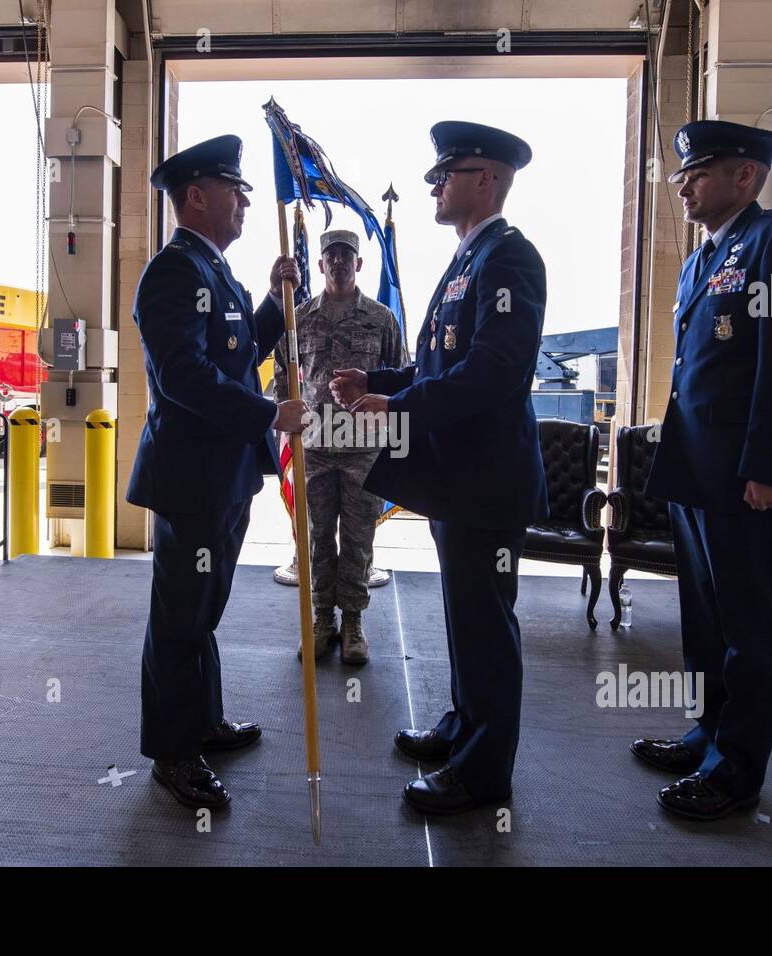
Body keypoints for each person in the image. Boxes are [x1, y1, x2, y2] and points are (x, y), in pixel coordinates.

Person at [331, 121, 548, 814]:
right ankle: (464, 727)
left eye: (446, 174)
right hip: (461, 477)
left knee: (486, 624)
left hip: (486, 480)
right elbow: (440, 366)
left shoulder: (508, 260)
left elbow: (492, 373)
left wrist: (393, 408)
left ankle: (484, 773)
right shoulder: (468, 261)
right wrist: (380, 377)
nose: (434, 185)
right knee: (466, 619)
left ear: (486, 180)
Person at [635, 119, 772, 820]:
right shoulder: (701, 260)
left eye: (699, 171)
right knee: (707, 621)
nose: (683, 184)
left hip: (750, 476)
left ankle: (736, 771)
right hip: (697, 471)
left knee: (752, 628)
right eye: (682, 173)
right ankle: (710, 732)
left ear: (745, 176)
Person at [126, 134, 306, 811]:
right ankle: (174, 754)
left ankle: (202, 721)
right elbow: (184, 377)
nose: (245, 204)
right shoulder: (173, 273)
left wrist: (271, 299)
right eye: (236, 192)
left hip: (224, 477)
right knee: (179, 619)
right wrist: (269, 413)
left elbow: (239, 350)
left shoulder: (215, 273)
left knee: (202, 612)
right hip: (192, 477)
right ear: (197, 196)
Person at [272, 228, 404, 665]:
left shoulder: (382, 318)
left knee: (359, 539)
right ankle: (321, 619)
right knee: (315, 538)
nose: (339, 262)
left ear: (359, 263)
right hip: (315, 447)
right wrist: (283, 418)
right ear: (321, 263)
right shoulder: (300, 316)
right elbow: (281, 376)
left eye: (348, 255)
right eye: (332, 256)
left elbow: (399, 376)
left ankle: (352, 621)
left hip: (363, 447)